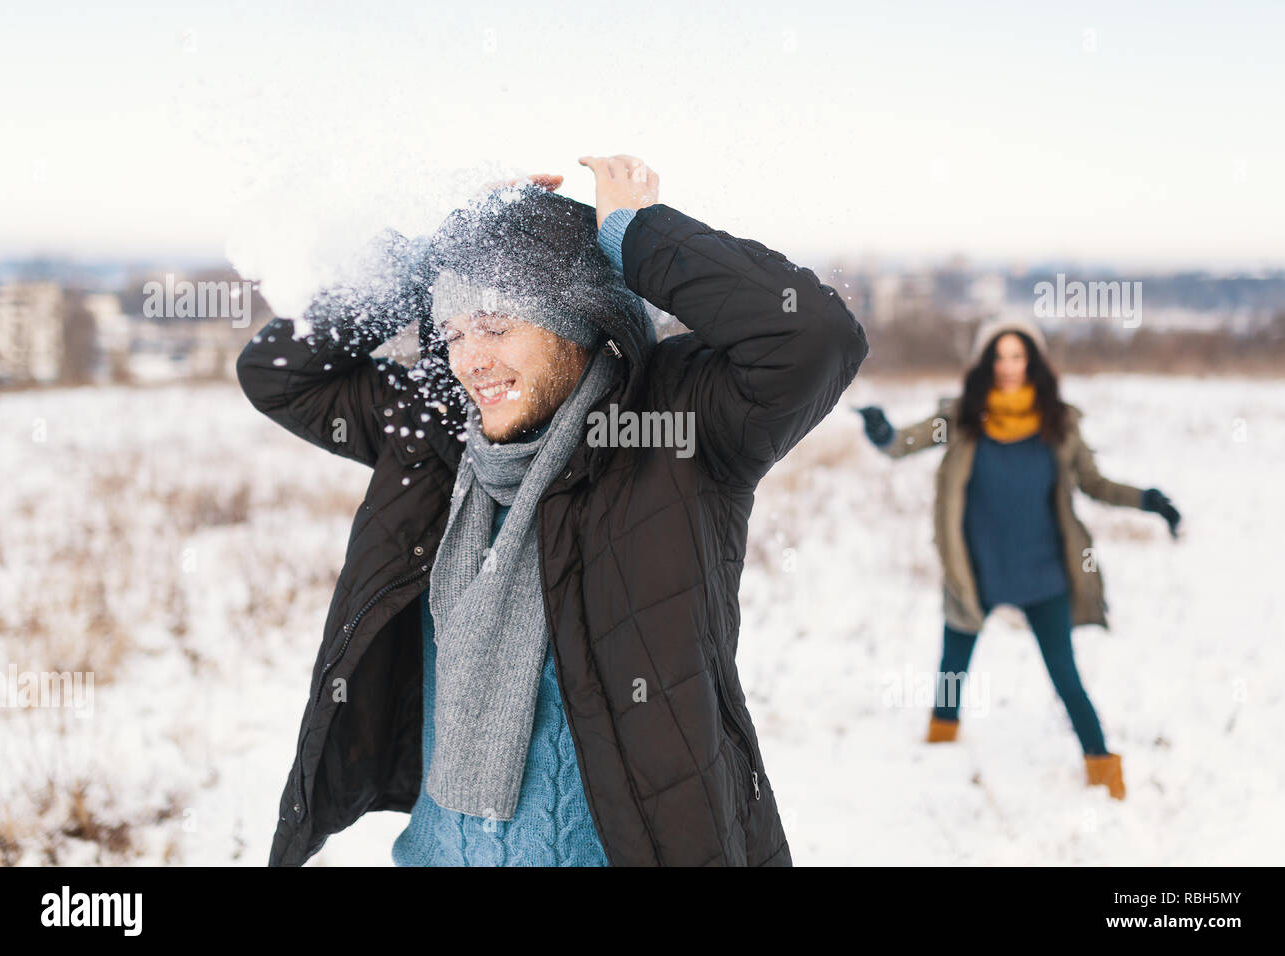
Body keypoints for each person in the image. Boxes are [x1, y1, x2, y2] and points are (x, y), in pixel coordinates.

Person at [236, 155, 869, 865]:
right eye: (452, 332)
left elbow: (815, 337)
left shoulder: (672, 427)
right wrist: (432, 257)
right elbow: (276, 376)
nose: (470, 360)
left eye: (496, 326)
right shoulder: (438, 435)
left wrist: (638, 235)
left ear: (574, 321)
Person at [855, 319, 1181, 801]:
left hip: (1043, 572)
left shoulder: (1059, 422)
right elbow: (905, 444)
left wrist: (1148, 500)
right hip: (976, 572)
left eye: (1017, 356)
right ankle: (939, 743)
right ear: (986, 364)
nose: (1008, 367)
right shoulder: (963, 416)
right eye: (999, 357)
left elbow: (1095, 484)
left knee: (1066, 676)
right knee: (952, 667)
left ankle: (1103, 770)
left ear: (1032, 361)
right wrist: (882, 431)